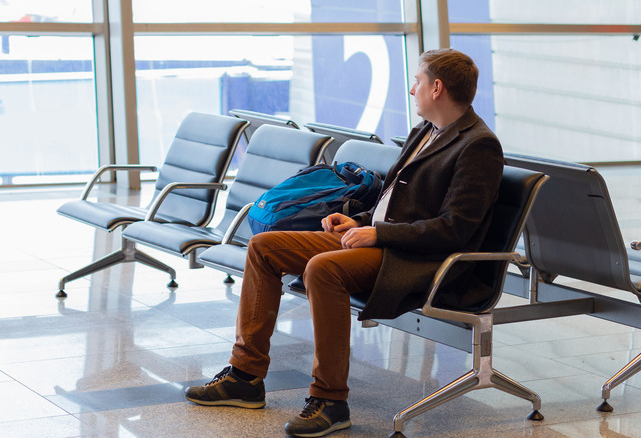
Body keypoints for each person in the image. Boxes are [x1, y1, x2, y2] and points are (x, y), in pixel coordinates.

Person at [184, 48, 504, 438]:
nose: (411, 89)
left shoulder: (478, 146)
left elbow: (455, 229)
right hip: (383, 243)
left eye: (417, 82)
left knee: (323, 269)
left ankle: (330, 401)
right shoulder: (425, 131)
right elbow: (397, 204)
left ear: (437, 88)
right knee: (264, 246)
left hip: (420, 262)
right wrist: (360, 220)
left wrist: (378, 233)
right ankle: (245, 377)